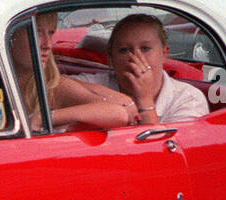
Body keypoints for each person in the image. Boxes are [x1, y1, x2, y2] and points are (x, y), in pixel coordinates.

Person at [12, 10, 139, 130]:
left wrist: (44, 118)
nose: (47, 44)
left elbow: (118, 114)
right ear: (12, 37)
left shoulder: (53, 88)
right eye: (36, 32)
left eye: (51, 33)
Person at [75, 14, 209, 124]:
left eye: (145, 49)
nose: (135, 58)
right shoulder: (95, 83)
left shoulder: (188, 99)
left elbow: (161, 153)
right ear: (111, 58)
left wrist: (144, 99)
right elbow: (56, 87)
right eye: (124, 50)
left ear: (164, 53)